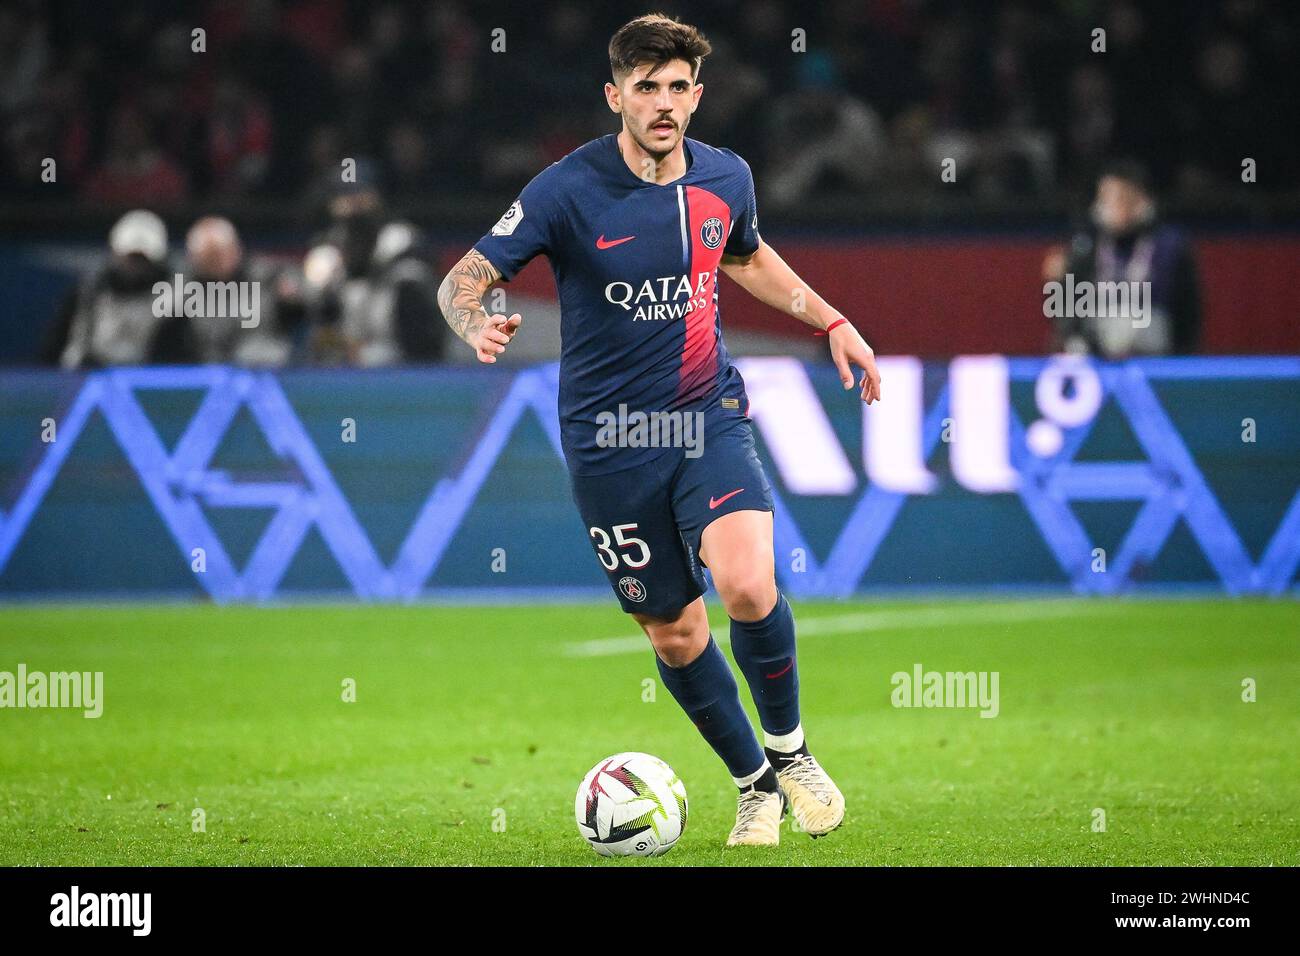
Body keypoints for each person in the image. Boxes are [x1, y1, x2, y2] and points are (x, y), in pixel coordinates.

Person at [437, 14, 881, 848]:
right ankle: (753, 787)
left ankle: (791, 756)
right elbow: (465, 276)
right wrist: (473, 322)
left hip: (704, 414)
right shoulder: (565, 190)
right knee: (677, 632)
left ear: (698, 95)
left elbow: (745, 255)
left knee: (749, 584)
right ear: (615, 97)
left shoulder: (727, 177)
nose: (665, 103)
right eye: (647, 88)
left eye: (679, 87)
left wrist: (831, 320)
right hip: (608, 442)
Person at [1047, 160, 1201, 357]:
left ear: (1142, 200)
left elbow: (1188, 311)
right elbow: (1064, 313)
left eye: (1122, 198)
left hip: (1156, 353)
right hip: (1095, 354)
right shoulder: (1085, 245)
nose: (1113, 207)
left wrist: (1183, 358)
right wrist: (1058, 283)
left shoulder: (1170, 245)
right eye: (1106, 198)